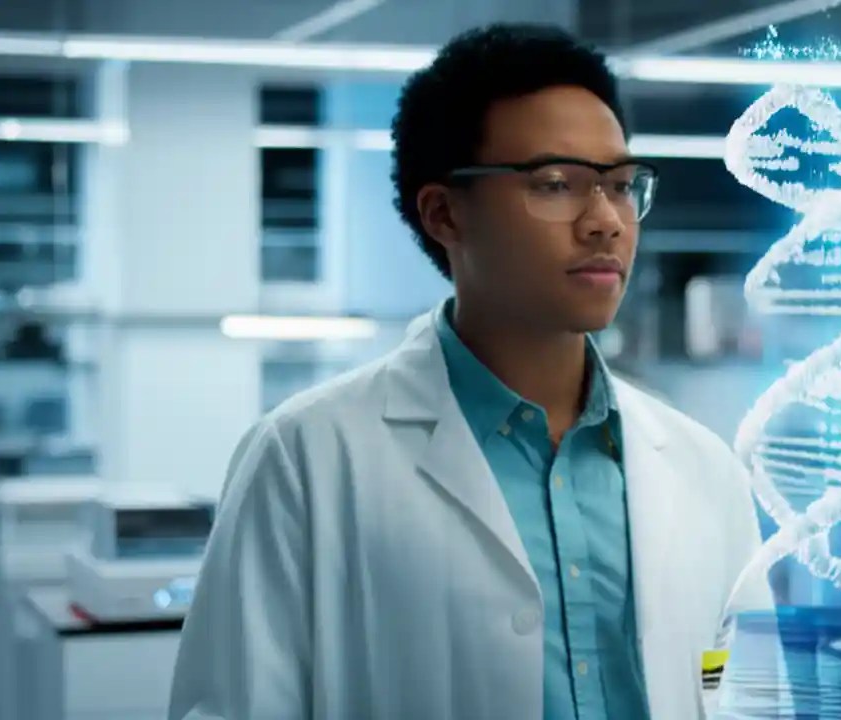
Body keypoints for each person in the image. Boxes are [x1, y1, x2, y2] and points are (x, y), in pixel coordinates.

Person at [168, 23, 771, 720]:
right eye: (556, 184)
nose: (606, 220)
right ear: (444, 214)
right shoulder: (308, 458)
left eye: (621, 184)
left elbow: (749, 699)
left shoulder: (704, 468)